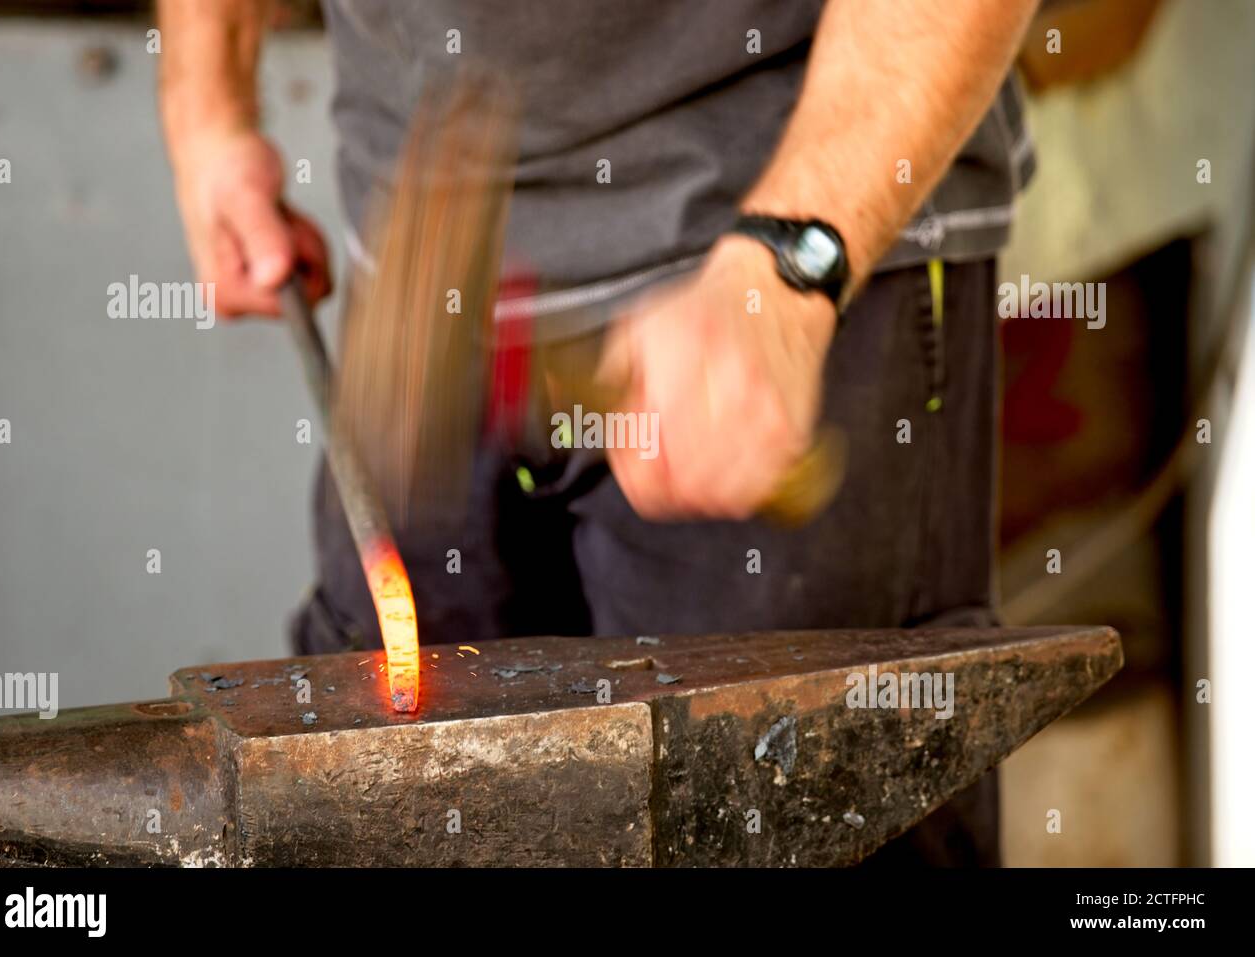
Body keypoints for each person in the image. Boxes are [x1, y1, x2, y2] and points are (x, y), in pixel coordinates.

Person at [158, 0, 1041, 865]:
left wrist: (793, 261)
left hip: (797, 232)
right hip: (421, 268)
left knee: (784, 800)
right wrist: (207, 103)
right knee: (378, 804)